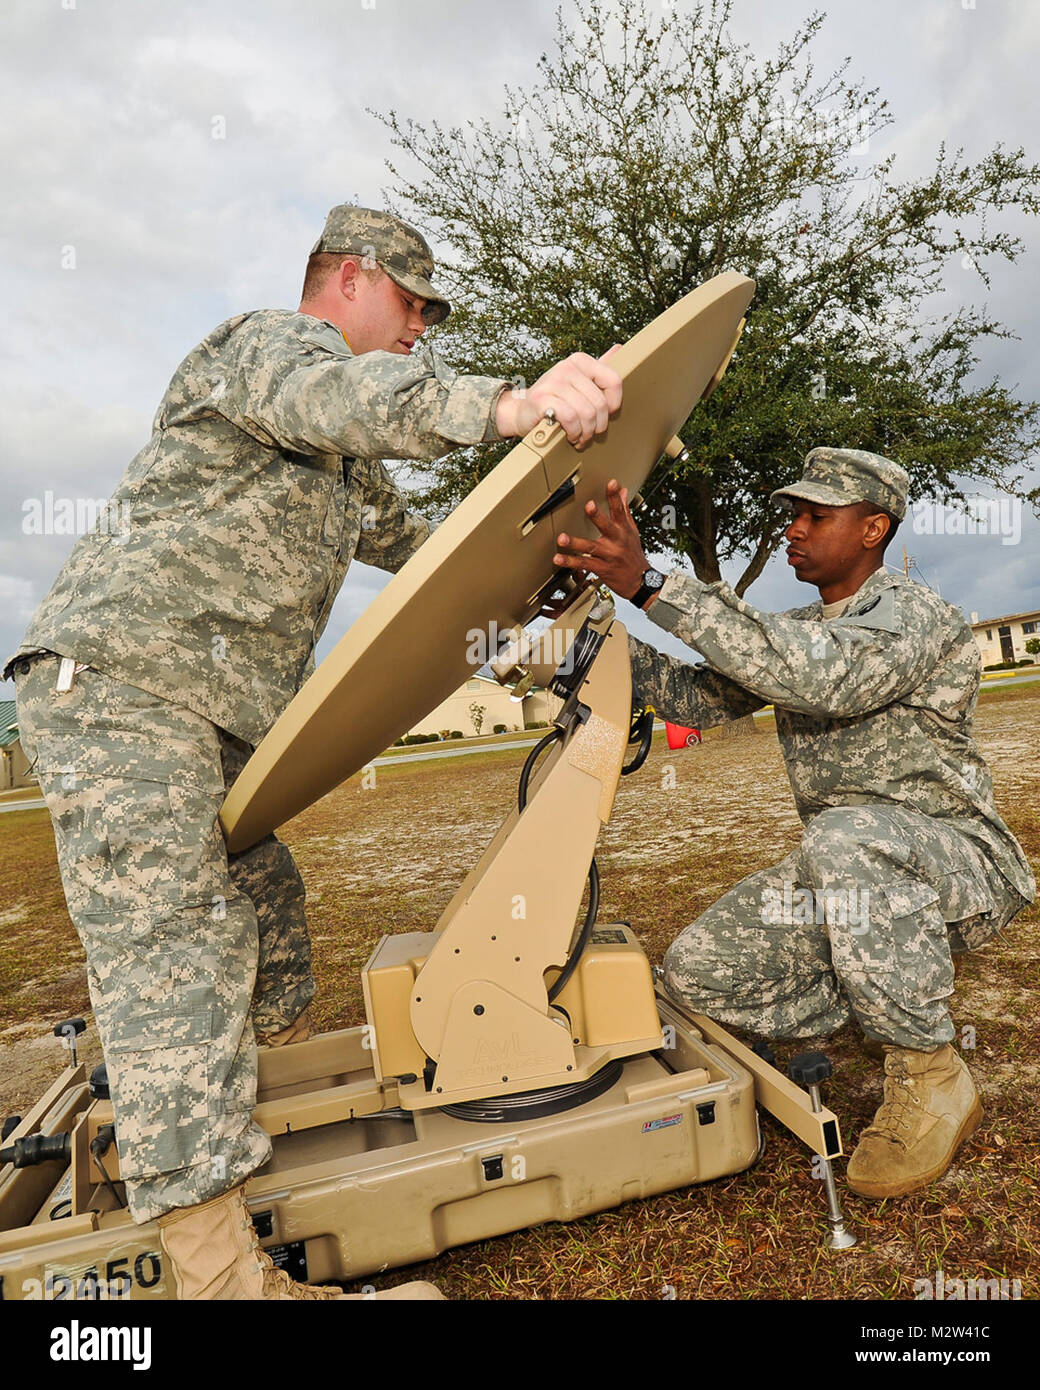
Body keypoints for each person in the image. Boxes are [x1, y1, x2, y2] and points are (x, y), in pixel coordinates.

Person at [5, 204, 622, 1299]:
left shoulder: (338, 468)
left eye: (435, 313)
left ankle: (182, 1111)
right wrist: (510, 404)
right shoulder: (269, 350)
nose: (423, 326)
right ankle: (217, 1271)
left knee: (273, 940)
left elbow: (435, 558)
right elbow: (351, 398)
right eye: (414, 301)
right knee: (178, 962)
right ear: (348, 278)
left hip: (206, 718)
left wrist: (539, 576)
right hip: (124, 690)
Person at [552, 449, 1034, 1199]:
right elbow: (694, 698)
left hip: (957, 865)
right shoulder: (800, 627)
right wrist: (582, 634)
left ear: (874, 528)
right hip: (852, 875)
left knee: (844, 834)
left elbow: (817, 676)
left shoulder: (915, 616)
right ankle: (879, 983)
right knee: (695, 973)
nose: (794, 530)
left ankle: (932, 1074)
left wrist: (650, 583)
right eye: (791, 515)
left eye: (816, 515)